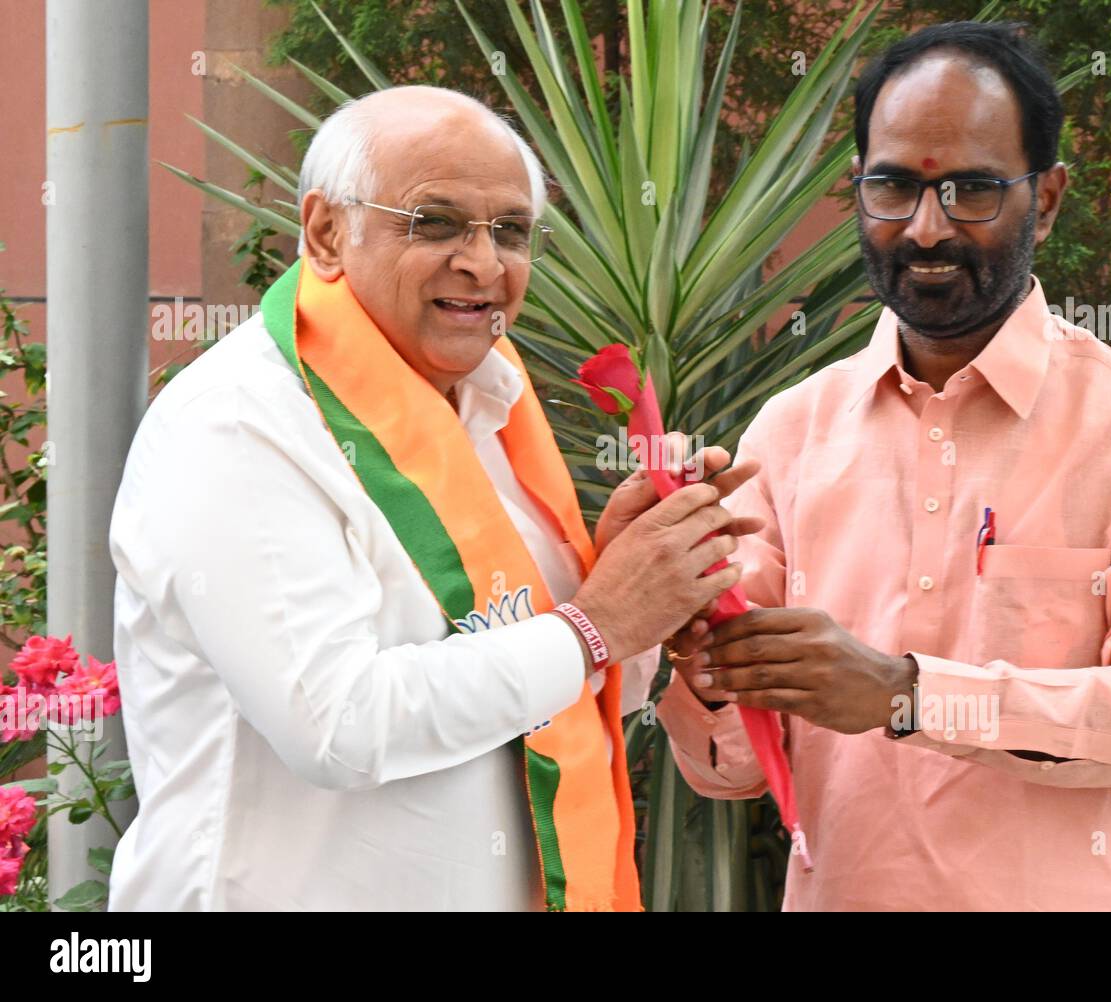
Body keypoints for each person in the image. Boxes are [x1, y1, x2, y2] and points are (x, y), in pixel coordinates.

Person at [107, 86, 758, 911]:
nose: (484, 264)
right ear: (325, 232)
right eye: (436, 223)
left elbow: (559, 688)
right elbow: (336, 725)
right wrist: (599, 623)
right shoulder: (239, 424)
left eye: (511, 231)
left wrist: (631, 591)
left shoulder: (491, 399)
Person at [659, 22, 1111, 911]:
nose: (927, 228)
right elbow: (740, 769)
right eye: (895, 186)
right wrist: (696, 651)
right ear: (857, 190)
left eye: (972, 190)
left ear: (1047, 198)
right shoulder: (792, 432)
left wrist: (906, 694)